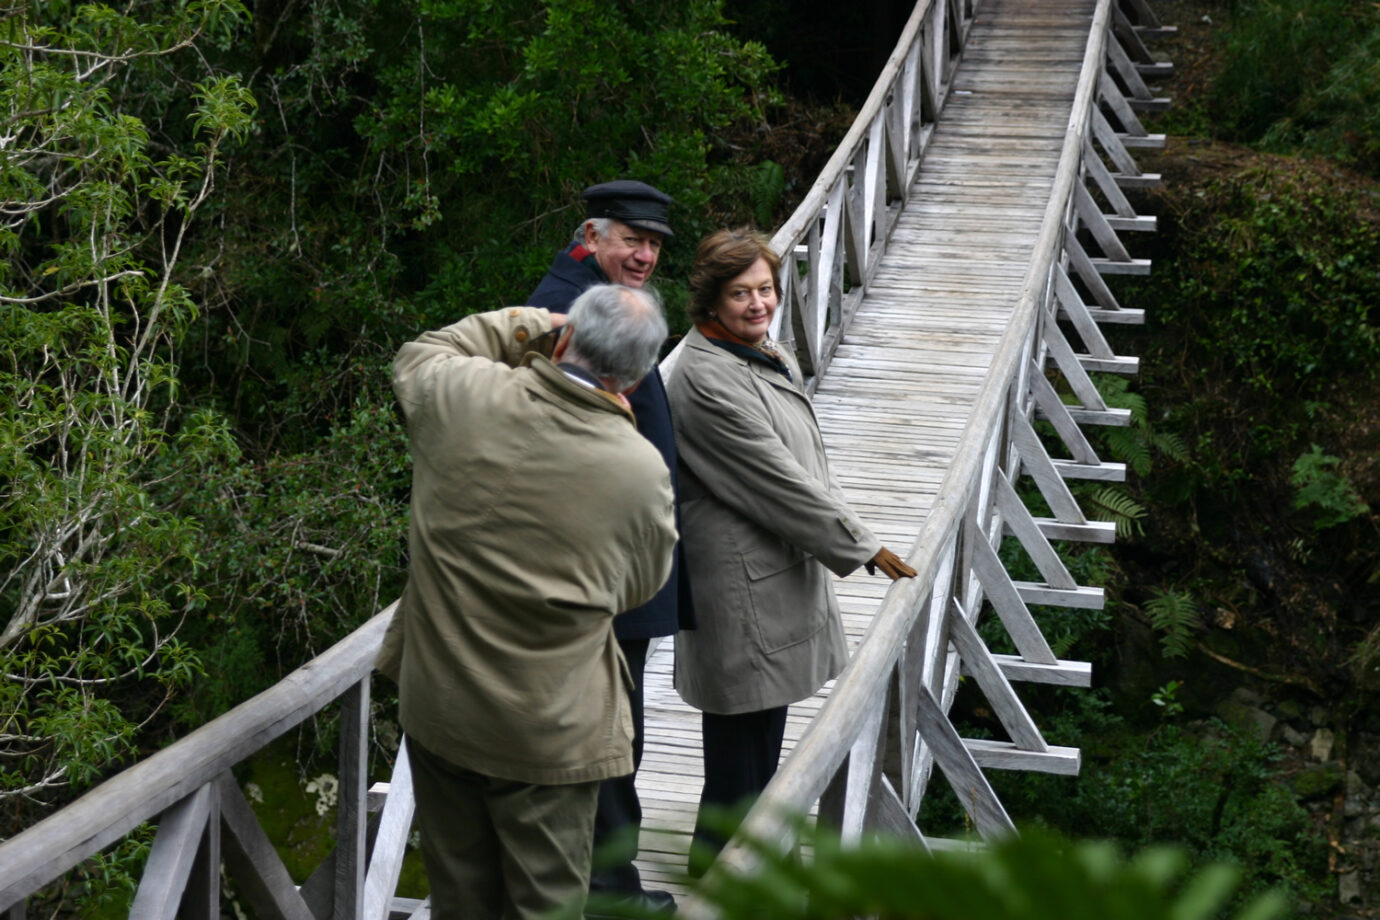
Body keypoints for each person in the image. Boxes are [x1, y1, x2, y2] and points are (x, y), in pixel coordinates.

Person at [375, 285, 678, 920]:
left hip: (441, 708)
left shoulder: (464, 396)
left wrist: (531, 321)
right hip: (548, 735)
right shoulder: (638, 468)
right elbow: (640, 586)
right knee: (545, 906)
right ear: (641, 373)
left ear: (564, 339)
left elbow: (423, 351)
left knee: (459, 900)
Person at [665, 227, 916, 873]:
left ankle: (741, 870)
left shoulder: (761, 352)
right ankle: (718, 876)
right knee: (736, 757)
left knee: (762, 747)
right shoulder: (703, 377)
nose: (758, 303)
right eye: (741, 293)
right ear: (711, 302)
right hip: (738, 583)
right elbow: (774, 477)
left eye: (767, 289)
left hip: (772, 569)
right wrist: (861, 544)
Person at [528, 180, 691, 915]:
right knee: (608, 740)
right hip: (603, 574)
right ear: (590, 235)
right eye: (631, 239)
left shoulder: (593, 293)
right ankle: (610, 897)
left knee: (610, 739)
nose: (646, 254)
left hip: (612, 566)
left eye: (654, 243)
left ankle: (602, 889)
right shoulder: (567, 306)